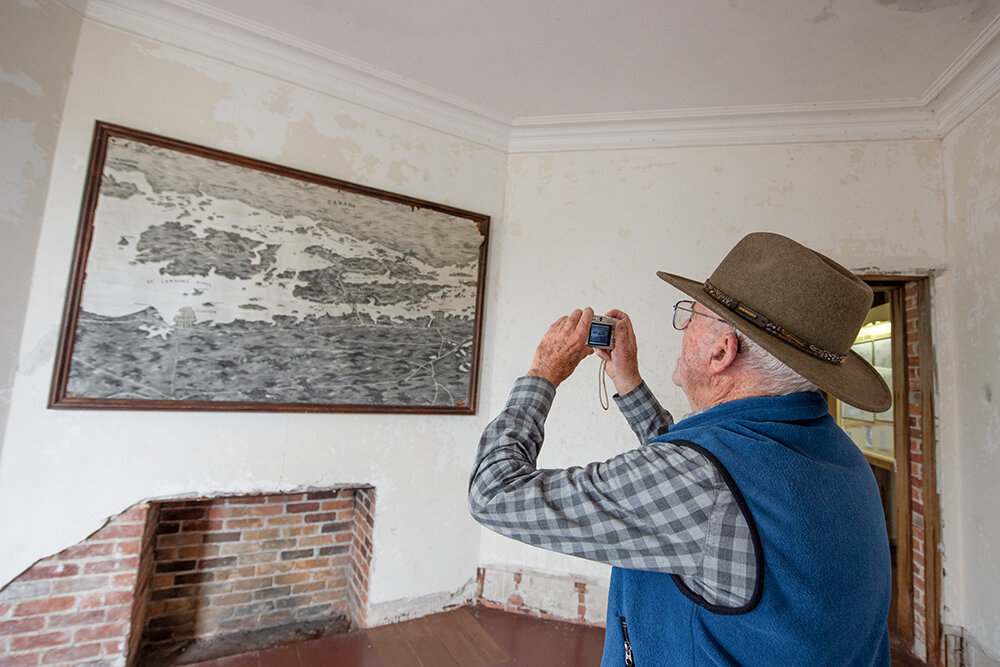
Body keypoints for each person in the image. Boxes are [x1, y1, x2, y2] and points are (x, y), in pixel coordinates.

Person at [468, 232, 893, 666]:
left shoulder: (701, 484)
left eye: (692, 315)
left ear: (721, 352)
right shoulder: (834, 450)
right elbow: (702, 481)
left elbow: (493, 493)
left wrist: (543, 373)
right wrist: (627, 382)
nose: (684, 325)